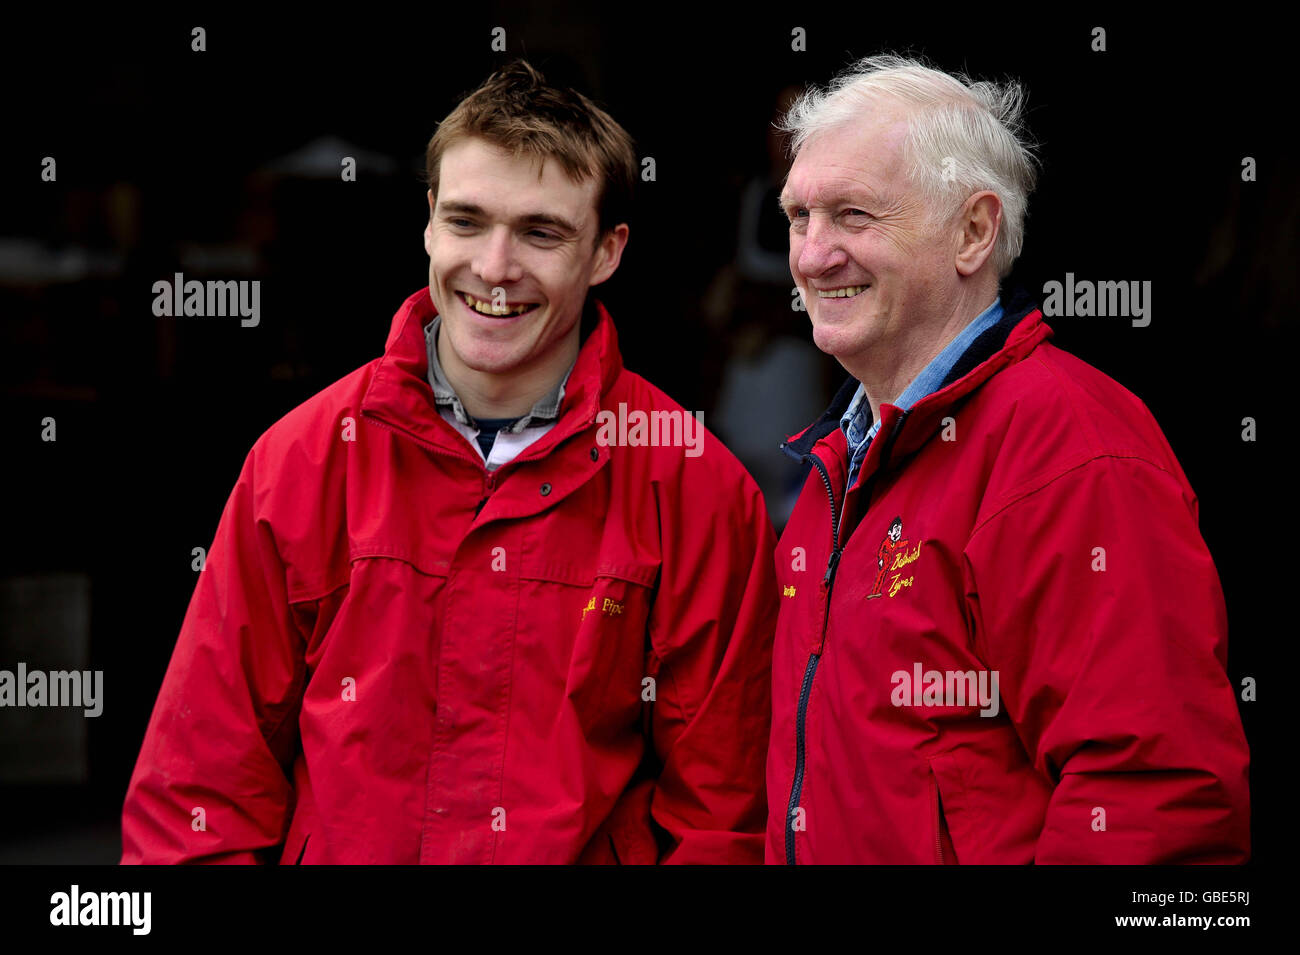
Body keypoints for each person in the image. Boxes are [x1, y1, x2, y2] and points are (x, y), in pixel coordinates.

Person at [121, 61, 777, 864]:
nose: (494, 268)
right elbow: (199, 792)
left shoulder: (693, 486)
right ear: (428, 222)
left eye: (541, 232)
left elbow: (721, 821)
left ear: (608, 251)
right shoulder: (301, 461)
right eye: (467, 222)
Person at [765, 54, 1249, 864]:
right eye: (798, 216)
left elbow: (1155, 801)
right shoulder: (838, 459)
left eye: (853, 215)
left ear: (974, 230)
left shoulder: (1073, 444)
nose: (813, 256)